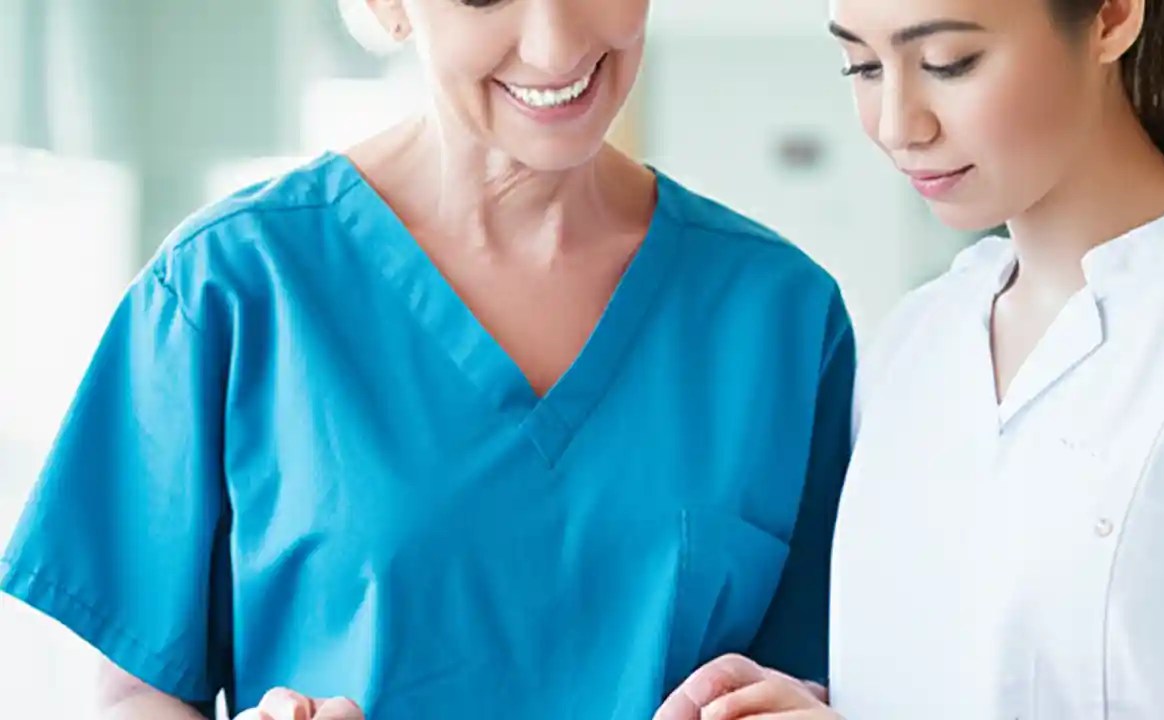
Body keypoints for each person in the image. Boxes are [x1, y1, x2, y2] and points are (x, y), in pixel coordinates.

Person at [0, 0, 855, 717]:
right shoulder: (230, 287)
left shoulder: (782, 316)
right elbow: (135, 698)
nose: (556, 41)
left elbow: (824, 677)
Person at [657, 0, 1164, 717]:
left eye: (948, 63)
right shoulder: (913, 343)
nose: (897, 125)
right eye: (862, 66)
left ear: (1111, 16)